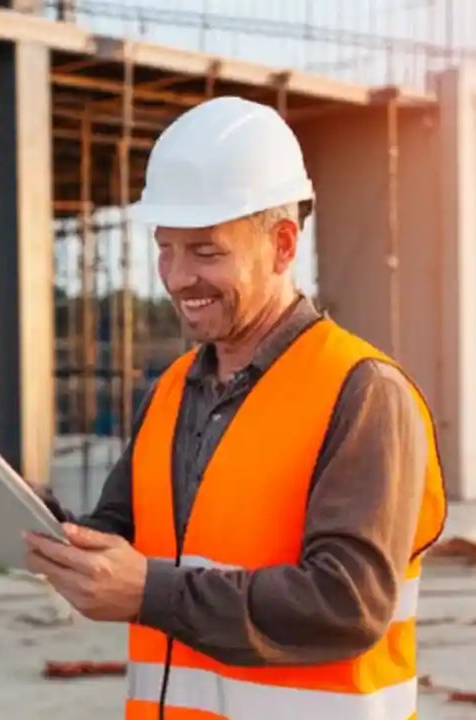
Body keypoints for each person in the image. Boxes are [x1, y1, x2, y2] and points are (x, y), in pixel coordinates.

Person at [23, 96, 447, 719]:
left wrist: (149, 591)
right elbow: (123, 530)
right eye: (166, 249)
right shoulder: (171, 389)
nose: (175, 277)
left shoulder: (361, 393)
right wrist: (48, 528)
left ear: (281, 245)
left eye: (205, 252)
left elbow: (345, 602)